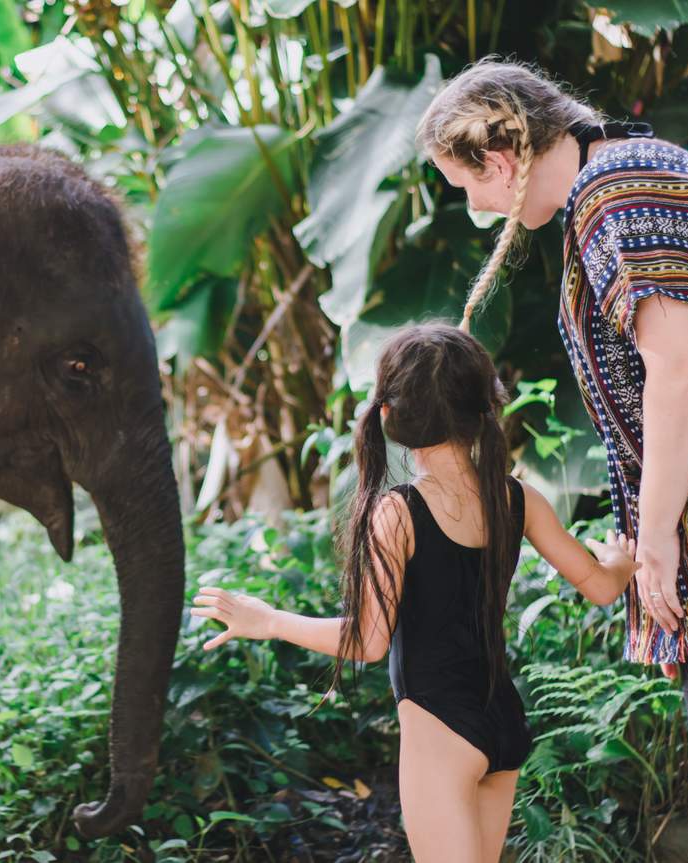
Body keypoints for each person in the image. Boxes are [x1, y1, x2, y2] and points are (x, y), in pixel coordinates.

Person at [413, 56, 688, 861]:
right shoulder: (630, 174)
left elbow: (681, 366)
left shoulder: (615, 191)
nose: (478, 207)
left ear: (502, 158)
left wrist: (654, 540)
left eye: (468, 184)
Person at [191, 322, 640, 863]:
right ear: (482, 411)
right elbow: (600, 588)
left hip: (441, 733)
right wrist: (618, 562)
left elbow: (368, 641)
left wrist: (267, 621)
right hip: (501, 719)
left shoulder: (398, 513)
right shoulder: (519, 499)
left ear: (390, 416)